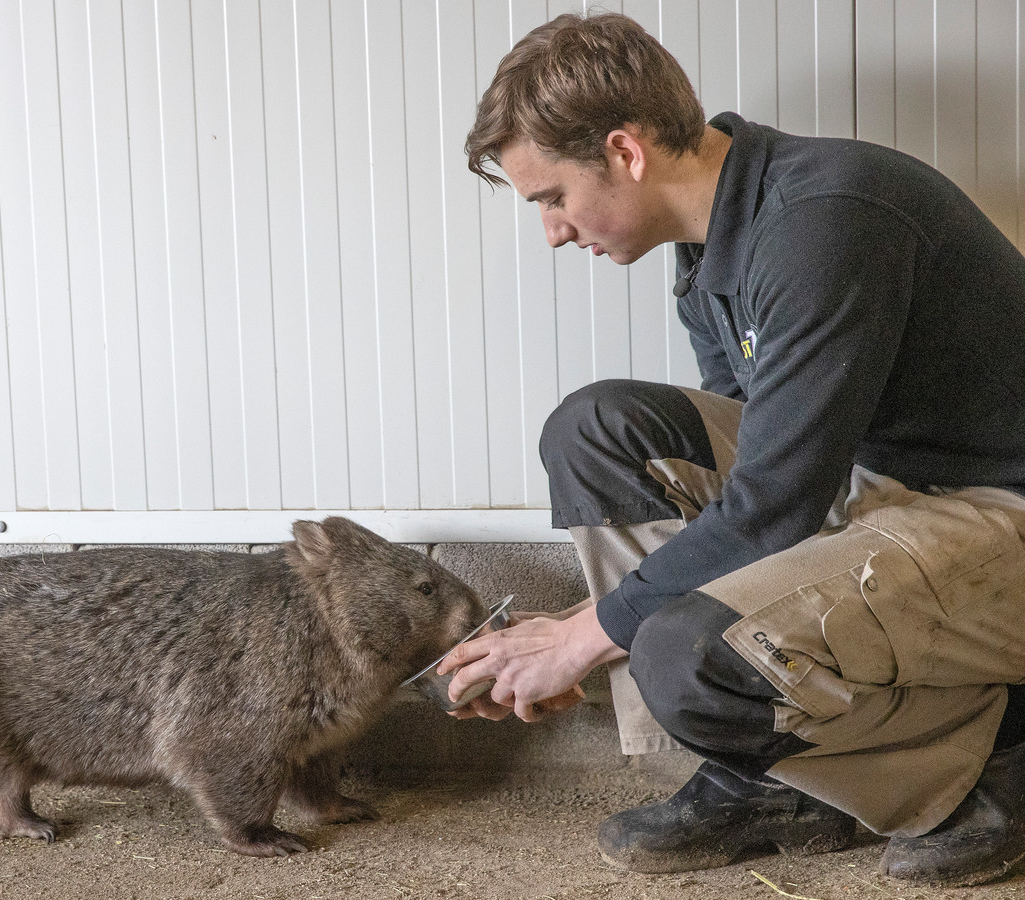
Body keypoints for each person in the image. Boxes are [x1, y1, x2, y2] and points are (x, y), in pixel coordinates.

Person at [439, 10, 1025, 888]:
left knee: (685, 653)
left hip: (996, 514)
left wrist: (587, 637)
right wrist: (588, 630)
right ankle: (771, 772)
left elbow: (772, 506)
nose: (553, 231)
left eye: (552, 197)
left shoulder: (825, 218)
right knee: (597, 432)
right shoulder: (709, 246)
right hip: (878, 489)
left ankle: (1001, 752)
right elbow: (762, 467)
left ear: (625, 151)